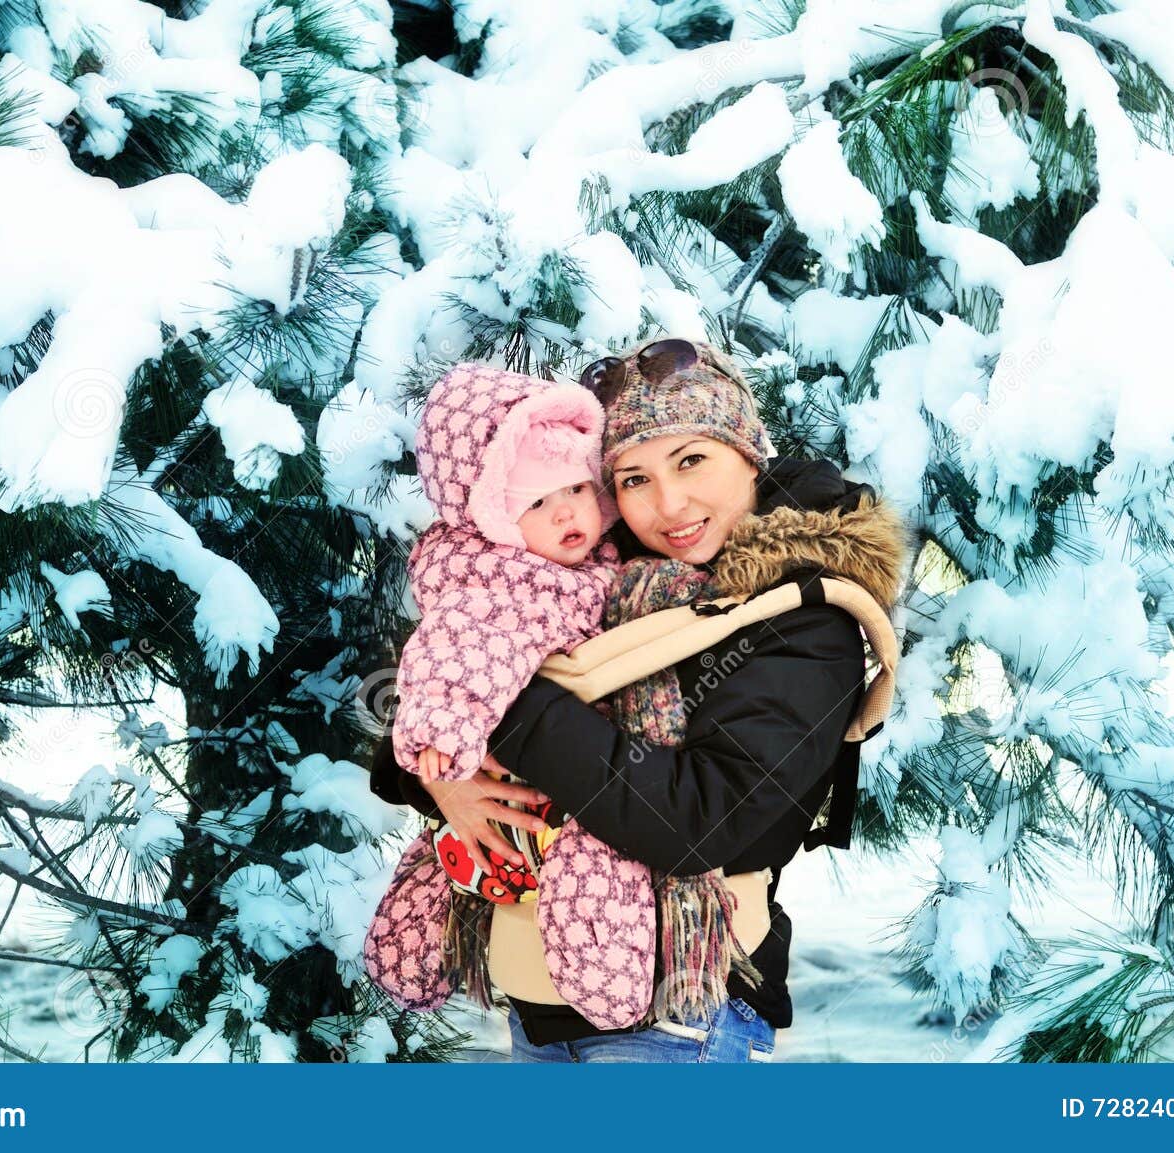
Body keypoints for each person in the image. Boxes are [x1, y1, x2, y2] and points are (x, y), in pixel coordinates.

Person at [371, 337, 908, 1062]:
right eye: (632, 478)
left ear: (748, 451)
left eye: (692, 460)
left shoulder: (805, 611)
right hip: (542, 1003)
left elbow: (696, 819)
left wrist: (508, 709)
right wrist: (444, 773)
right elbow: (424, 706)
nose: (669, 503)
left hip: (679, 1018)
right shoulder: (599, 575)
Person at [366, 361, 723, 1030]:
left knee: (591, 852)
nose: (566, 511)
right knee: (475, 852)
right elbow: (456, 654)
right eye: (534, 501)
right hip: (536, 792)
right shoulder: (498, 581)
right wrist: (444, 746)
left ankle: (607, 982)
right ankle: (412, 956)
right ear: (491, 515)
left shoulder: (611, 565)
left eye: (575, 488)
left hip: (595, 796)